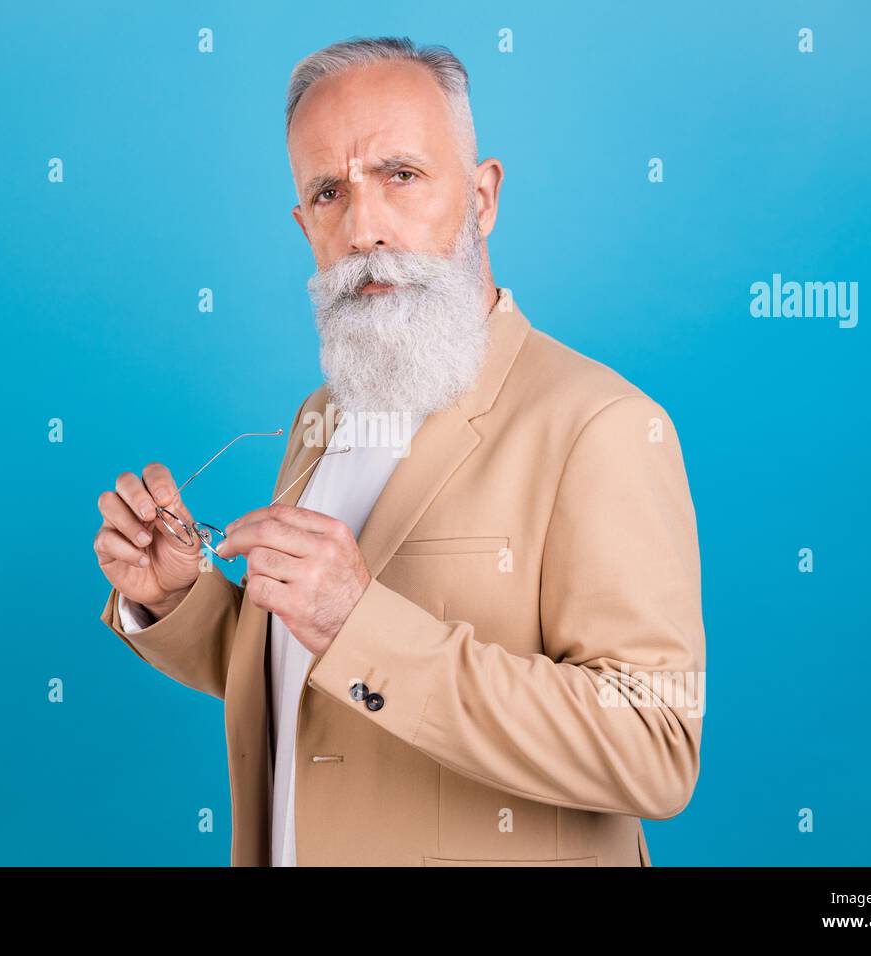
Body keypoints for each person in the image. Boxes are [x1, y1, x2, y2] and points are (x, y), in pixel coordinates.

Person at [93, 36, 705, 866]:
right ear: (303, 224)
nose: (364, 227)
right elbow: (308, 693)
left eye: (401, 176)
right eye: (329, 193)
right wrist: (179, 599)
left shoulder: (601, 424)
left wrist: (361, 624)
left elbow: (654, 742)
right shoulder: (321, 416)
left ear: (483, 197)